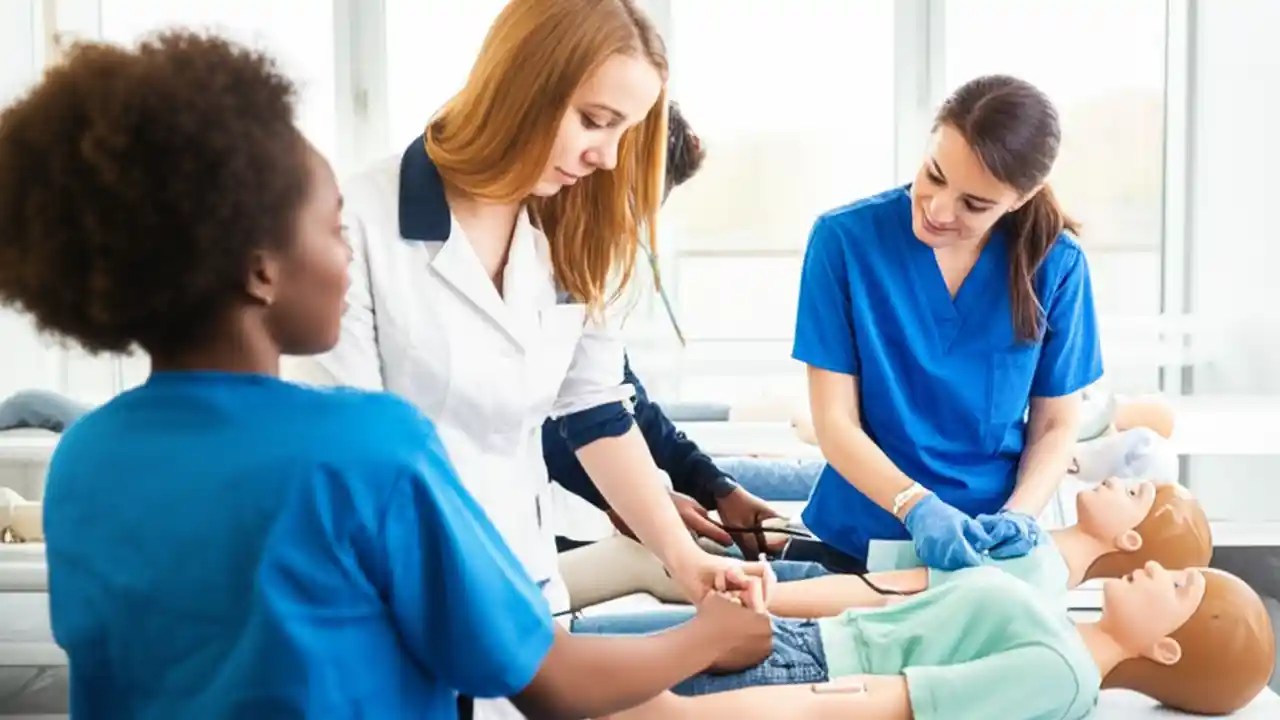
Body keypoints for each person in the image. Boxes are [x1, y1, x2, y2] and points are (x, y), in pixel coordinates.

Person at [0, 31, 775, 719]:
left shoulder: (83, 461)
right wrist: (703, 639)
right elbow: (545, 681)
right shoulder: (368, 443)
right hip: (454, 620)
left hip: (512, 586)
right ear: (261, 268)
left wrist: (679, 557)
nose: (607, 156)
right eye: (332, 230)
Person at [291, 0, 773, 666]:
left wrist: (686, 562)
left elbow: (597, 410)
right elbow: (347, 454)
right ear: (521, 85)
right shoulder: (361, 224)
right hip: (394, 601)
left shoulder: (578, 231)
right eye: (594, 122)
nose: (606, 158)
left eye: (622, 133)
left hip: (525, 589)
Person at [791, 74, 1104, 574]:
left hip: (988, 545)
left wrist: (1019, 517)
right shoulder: (844, 242)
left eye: (974, 204)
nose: (938, 210)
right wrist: (915, 506)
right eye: (934, 175)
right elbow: (834, 422)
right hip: (856, 540)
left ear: (1020, 198)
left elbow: (1056, 422)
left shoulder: (1057, 265)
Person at [544, 100, 790, 560]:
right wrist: (641, 504)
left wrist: (712, 485)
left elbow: (610, 393)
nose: (622, 229)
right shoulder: (518, 249)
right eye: (624, 208)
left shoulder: (575, 268)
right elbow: (544, 423)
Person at [604, 564, 1275, 719]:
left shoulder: (1061, 674)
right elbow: (886, 598)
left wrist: (684, 714)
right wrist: (769, 599)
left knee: (537, 689)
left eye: (1181, 586)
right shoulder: (1056, 619)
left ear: (1165, 651)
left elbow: (871, 698)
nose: (1158, 569)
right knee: (542, 658)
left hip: (784, 673)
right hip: (781, 639)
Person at [763, 479, 1212, 618]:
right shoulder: (1039, 549)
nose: (1119, 482)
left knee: (705, 582)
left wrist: (770, 598)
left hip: (835, 590)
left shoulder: (1038, 571)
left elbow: (898, 590)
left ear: (1129, 540)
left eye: (1135, 496)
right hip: (843, 566)